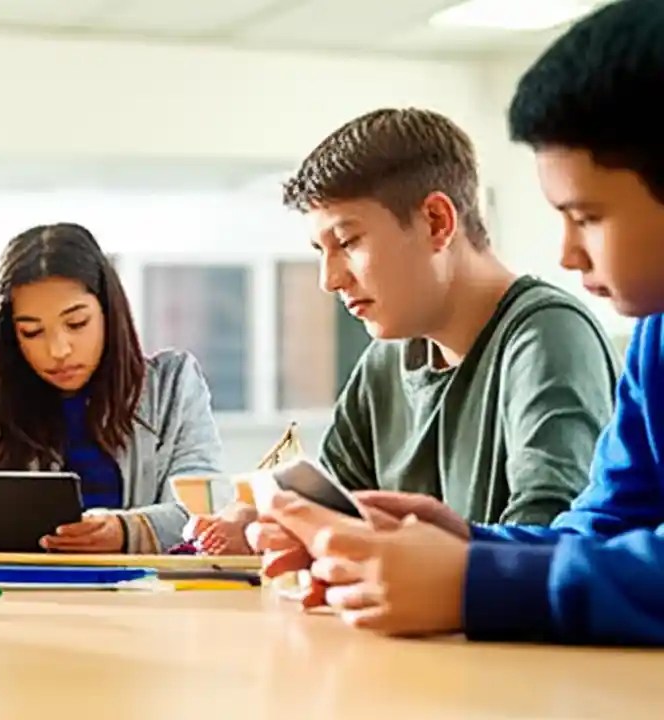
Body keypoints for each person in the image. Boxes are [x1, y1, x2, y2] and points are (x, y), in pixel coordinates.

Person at [251, 0, 664, 645]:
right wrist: (464, 541)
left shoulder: (549, 328)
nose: (566, 253)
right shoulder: (655, 335)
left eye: (586, 216)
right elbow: (603, 529)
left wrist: (472, 580)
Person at [191, 107, 619, 555]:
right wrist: (272, 522)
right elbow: (337, 515)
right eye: (321, 250)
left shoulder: (549, 337)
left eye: (348, 242)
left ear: (437, 222)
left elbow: (548, 548)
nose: (329, 279)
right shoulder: (386, 359)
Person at [0, 223, 223, 553]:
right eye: (32, 332)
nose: (58, 350)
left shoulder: (172, 387)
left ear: (108, 311)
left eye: (77, 324)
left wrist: (125, 531)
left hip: (138, 598)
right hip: (18, 598)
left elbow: (207, 513)